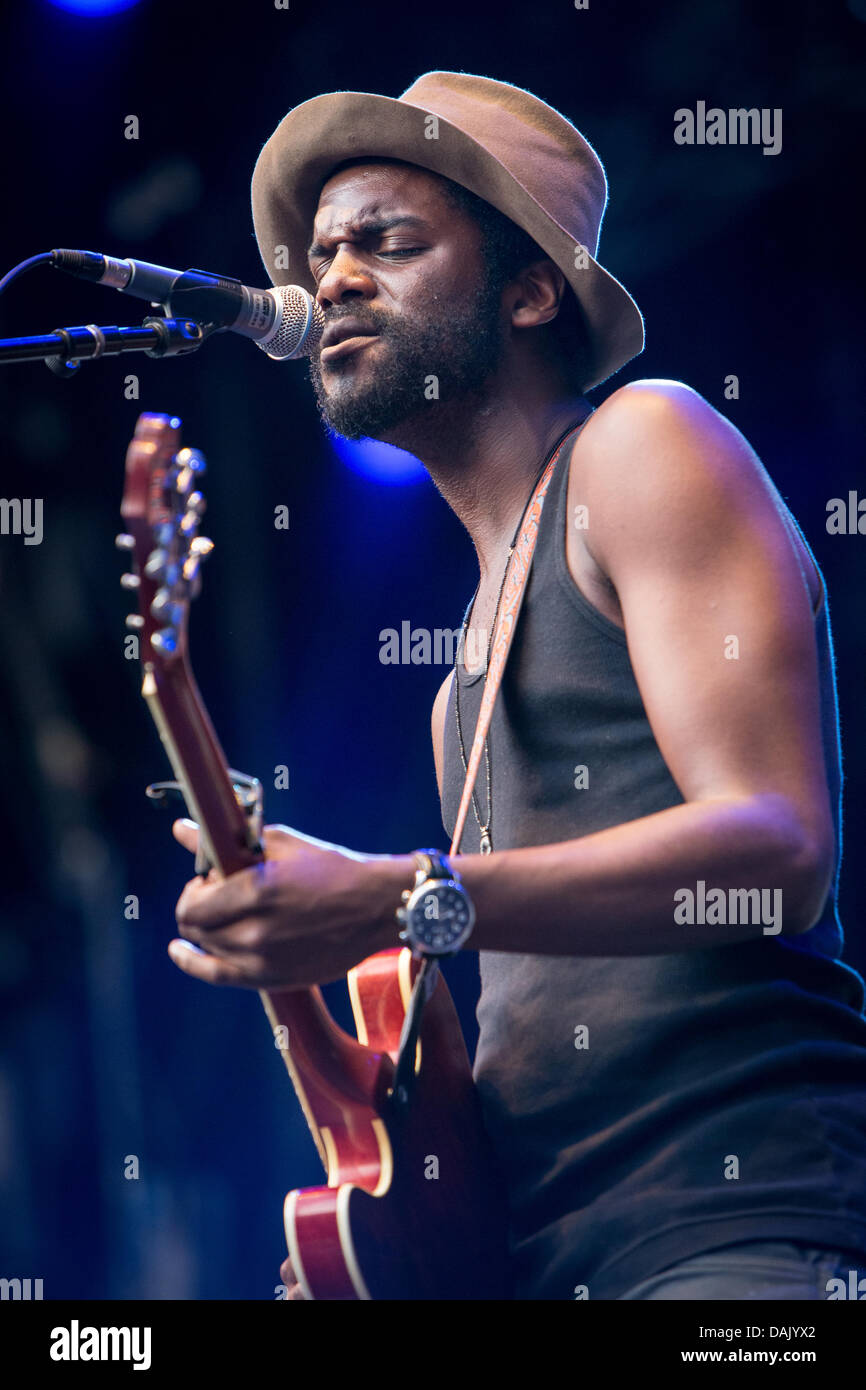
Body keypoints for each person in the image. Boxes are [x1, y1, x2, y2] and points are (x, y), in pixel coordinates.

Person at [168, 72, 866, 1300]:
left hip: (733, 1231)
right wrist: (393, 1226)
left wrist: (401, 895)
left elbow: (779, 846)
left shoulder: (643, 443)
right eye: (323, 250)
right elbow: (539, 1036)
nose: (327, 278)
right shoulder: (457, 694)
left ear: (532, 289)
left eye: (386, 241)